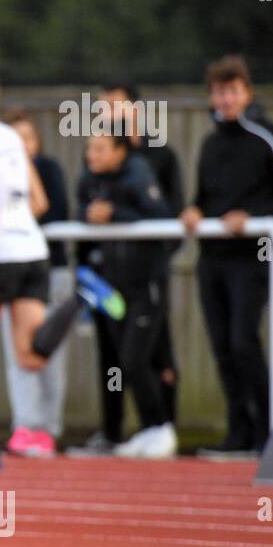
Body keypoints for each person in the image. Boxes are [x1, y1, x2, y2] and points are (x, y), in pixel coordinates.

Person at [0, 63, 125, 469]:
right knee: (31, 356)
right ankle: (81, 297)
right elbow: (38, 203)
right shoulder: (11, 137)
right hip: (33, 252)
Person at [180, 56, 273, 457]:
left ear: (247, 92)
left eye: (232, 90)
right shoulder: (210, 142)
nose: (225, 98)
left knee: (243, 341)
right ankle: (238, 432)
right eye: (218, 91)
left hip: (253, 256)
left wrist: (252, 216)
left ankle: (269, 433)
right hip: (212, 257)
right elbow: (203, 198)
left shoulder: (271, 137)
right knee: (221, 345)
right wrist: (194, 210)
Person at [72, 84, 184, 453]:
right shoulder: (93, 174)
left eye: (116, 109)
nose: (92, 153)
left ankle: (163, 427)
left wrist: (116, 216)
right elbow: (80, 217)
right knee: (118, 361)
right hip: (110, 284)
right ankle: (117, 429)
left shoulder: (148, 162)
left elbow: (166, 218)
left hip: (147, 281)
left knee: (148, 357)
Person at [0, 109, 70, 458]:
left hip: (47, 269)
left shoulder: (48, 169)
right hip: (9, 270)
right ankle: (24, 425)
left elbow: (49, 208)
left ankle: (48, 428)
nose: (22, 146)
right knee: (18, 354)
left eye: (27, 138)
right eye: (15, 139)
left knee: (45, 352)